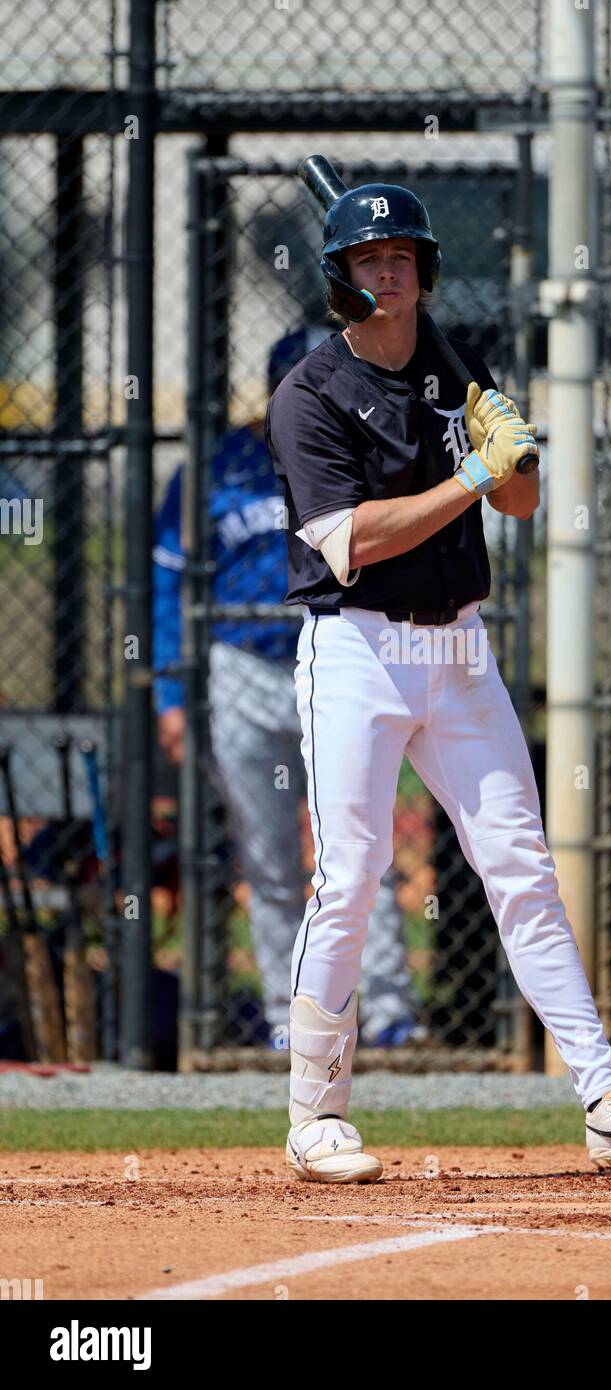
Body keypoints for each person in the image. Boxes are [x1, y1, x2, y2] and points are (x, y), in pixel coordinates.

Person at [266, 181, 611, 1184]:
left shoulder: (456, 370)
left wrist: (510, 447)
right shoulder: (310, 394)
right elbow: (351, 543)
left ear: (422, 272)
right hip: (357, 651)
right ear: (342, 277)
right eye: (370, 261)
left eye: (403, 259)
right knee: (353, 875)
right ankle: (314, 1117)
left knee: (522, 872)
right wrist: (468, 476)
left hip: (460, 651)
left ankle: (602, 1099)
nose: (388, 273)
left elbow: (518, 501)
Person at [152, 330, 419, 1049]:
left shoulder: (361, 458)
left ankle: (389, 1009)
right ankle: (285, 1016)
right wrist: (171, 696)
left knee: (361, 848)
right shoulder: (218, 466)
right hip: (242, 668)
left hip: (339, 658)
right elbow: (167, 583)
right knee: (267, 860)